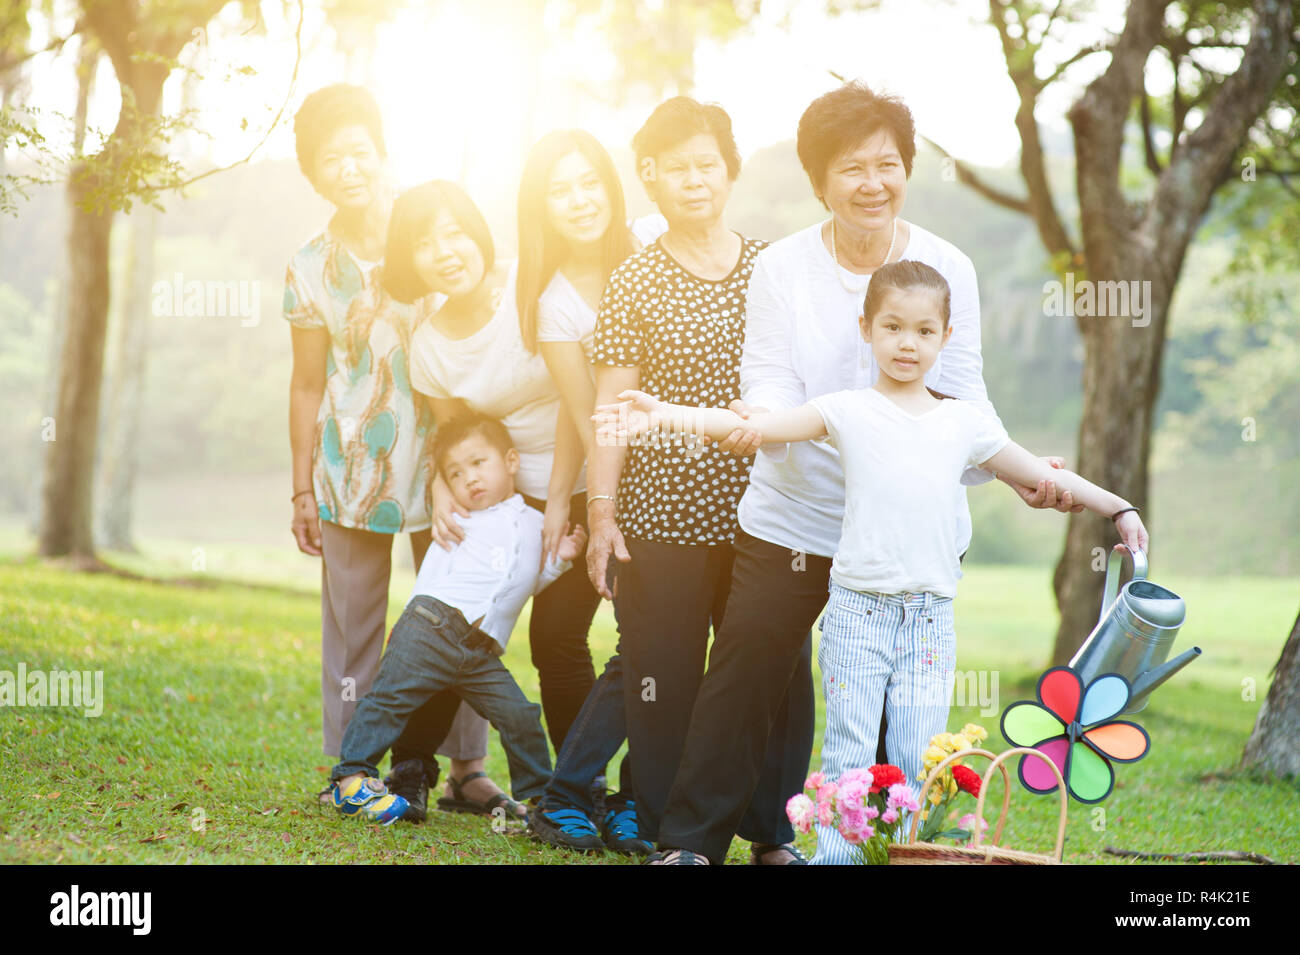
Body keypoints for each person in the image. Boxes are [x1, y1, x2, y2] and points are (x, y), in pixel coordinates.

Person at [649, 80, 1083, 865]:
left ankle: (874, 847)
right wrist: (778, 427)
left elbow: (967, 396)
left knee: (889, 704)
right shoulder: (782, 268)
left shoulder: (947, 265)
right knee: (747, 674)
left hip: (905, 531)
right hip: (795, 517)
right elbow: (769, 381)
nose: (872, 183)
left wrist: (1014, 467)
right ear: (820, 181)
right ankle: (691, 843)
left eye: (888, 164)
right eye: (852, 168)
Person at [595, 260, 1150, 864]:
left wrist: (1118, 509)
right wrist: (664, 414)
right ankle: (837, 858)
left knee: (917, 756)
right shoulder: (844, 410)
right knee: (850, 753)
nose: (907, 343)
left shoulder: (967, 422)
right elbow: (755, 427)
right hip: (859, 614)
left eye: (923, 330)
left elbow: (1042, 475)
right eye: (892, 327)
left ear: (945, 337)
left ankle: (900, 856)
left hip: (931, 622)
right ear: (866, 329)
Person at [582, 96, 811, 861]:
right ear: (650, 179)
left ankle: (771, 832)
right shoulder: (633, 280)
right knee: (663, 678)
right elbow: (611, 406)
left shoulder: (775, 266)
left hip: (768, 512)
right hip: (662, 516)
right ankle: (664, 829)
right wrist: (601, 509)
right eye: (674, 168)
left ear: (731, 169)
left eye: (706, 164)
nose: (693, 180)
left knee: (772, 674)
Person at [284, 85, 473, 804]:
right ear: (313, 173)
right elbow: (306, 383)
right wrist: (301, 485)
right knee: (355, 625)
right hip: (349, 471)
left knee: (455, 612)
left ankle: (465, 769)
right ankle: (354, 767)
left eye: (360, 150)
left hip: (446, 461)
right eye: (332, 158)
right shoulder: (308, 263)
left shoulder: (427, 234)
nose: (350, 167)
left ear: (382, 150)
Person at [381, 178, 595, 815]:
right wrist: (441, 490)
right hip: (493, 502)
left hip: (578, 486)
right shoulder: (430, 348)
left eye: (454, 230)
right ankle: (412, 770)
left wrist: (557, 499)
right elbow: (454, 439)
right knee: (450, 629)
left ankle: (577, 792)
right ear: (410, 262)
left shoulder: (533, 285)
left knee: (558, 639)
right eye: (425, 243)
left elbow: (574, 396)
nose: (446, 250)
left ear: (478, 230)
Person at [514, 128, 666, 855]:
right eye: (560, 189)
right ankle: (586, 795)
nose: (580, 201)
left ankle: (637, 795)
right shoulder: (554, 304)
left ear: (613, 185)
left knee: (651, 640)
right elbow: (588, 412)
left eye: (589, 182)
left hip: (691, 465)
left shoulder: (653, 242)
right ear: (540, 208)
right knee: (555, 633)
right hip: (613, 478)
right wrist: (569, 502)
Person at [330, 413, 586, 824]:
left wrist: (560, 561)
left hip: (479, 648)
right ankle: (350, 779)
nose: (469, 478)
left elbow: (524, 581)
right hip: (429, 627)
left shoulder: (538, 523)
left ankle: (544, 800)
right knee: (389, 702)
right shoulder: (456, 518)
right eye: (457, 472)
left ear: (511, 462)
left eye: (478, 463)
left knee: (519, 714)